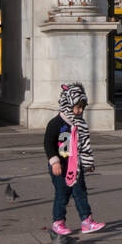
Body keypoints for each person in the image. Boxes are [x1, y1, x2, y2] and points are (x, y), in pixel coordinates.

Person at [44, 82, 105, 234]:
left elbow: (84, 144)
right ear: (67, 104)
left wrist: (88, 162)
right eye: (77, 107)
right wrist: (54, 162)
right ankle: (58, 222)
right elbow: (48, 144)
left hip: (76, 165)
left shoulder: (80, 124)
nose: (80, 111)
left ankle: (87, 221)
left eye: (82, 108)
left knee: (80, 192)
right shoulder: (56, 123)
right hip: (60, 166)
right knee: (62, 193)